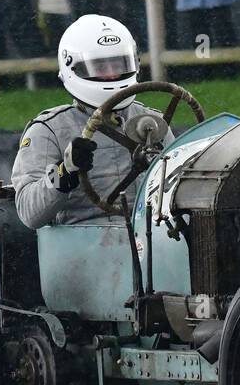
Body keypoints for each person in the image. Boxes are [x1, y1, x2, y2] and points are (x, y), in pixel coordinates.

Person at [11, 14, 172, 229]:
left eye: (118, 65)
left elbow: (183, 185)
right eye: (102, 67)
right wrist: (64, 173)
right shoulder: (48, 130)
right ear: (73, 67)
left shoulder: (153, 122)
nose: (113, 75)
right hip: (81, 248)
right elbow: (29, 212)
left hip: (152, 239)